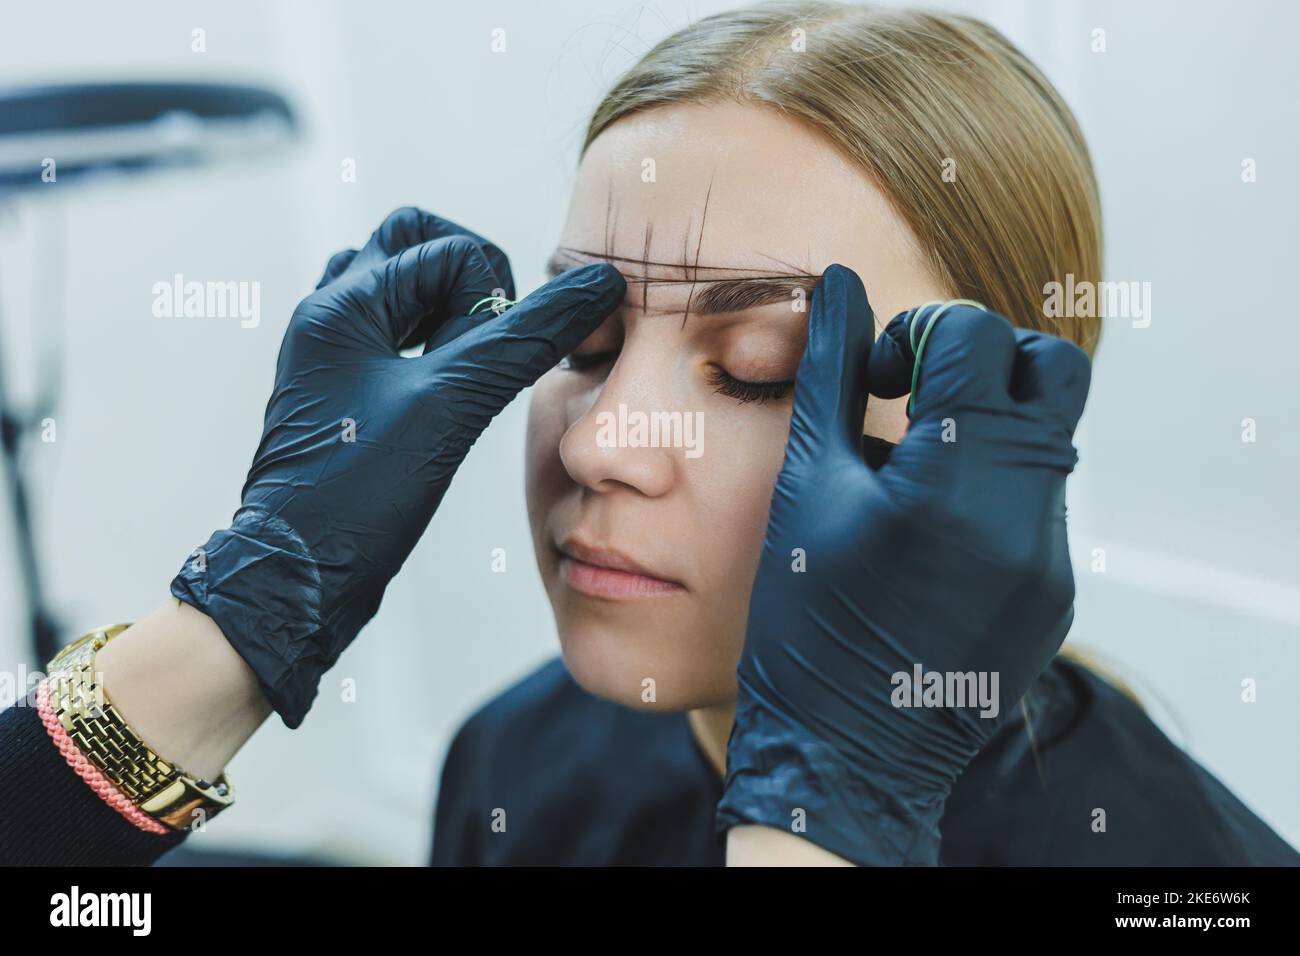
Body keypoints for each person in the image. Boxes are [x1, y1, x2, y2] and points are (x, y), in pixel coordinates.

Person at [0, 2, 1293, 868]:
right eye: (584, 344)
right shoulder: (520, 757)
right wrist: (246, 606)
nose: (602, 440)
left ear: (988, 435)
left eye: (756, 368)